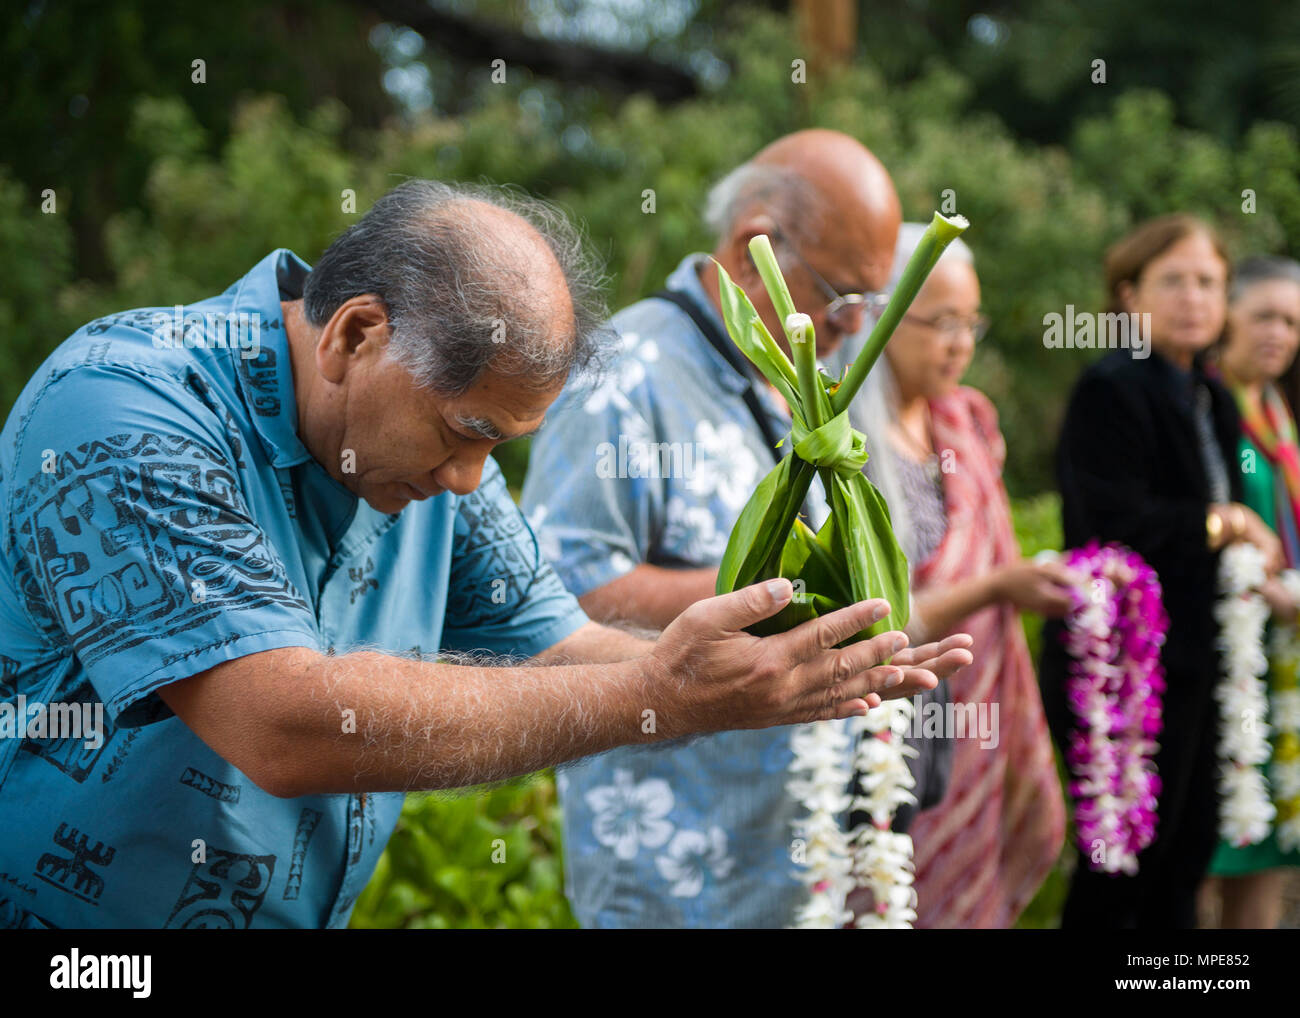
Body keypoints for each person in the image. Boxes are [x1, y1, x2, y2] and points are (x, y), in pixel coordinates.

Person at [0, 178, 960, 929]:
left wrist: (762, 678)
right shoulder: (128, 409)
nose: (468, 480)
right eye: (463, 433)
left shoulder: (442, 448)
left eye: (497, 445)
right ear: (356, 333)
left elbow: (554, 645)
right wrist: (660, 696)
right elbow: (282, 724)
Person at [521, 130, 974, 927]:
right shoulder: (622, 377)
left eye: (872, 301)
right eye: (841, 296)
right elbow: (560, 594)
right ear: (753, 246)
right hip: (677, 860)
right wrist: (803, 599)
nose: (854, 326)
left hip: (799, 848)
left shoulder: (801, 375)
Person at [1040, 213, 1284, 928]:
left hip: (1196, 658)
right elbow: (1112, 524)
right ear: (1128, 296)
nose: (1194, 298)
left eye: (1209, 282)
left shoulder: (1207, 392)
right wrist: (1226, 524)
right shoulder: (1113, 385)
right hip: (1122, 665)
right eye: (1172, 281)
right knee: (1123, 865)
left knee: (1186, 854)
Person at [830, 223, 1069, 927]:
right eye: (942, 323)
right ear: (883, 318)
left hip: (964, 727)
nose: (962, 343)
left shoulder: (962, 425)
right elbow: (866, 617)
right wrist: (997, 588)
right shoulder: (842, 442)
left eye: (973, 323)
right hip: (873, 729)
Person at [1204, 255, 1300, 928]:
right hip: (1220, 654)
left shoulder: (1277, 415)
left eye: (1292, 321)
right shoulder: (1208, 405)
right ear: (1226, 316)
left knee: (1269, 844)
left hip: (1281, 657)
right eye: (1263, 314)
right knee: (1212, 841)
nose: (1278, 333)